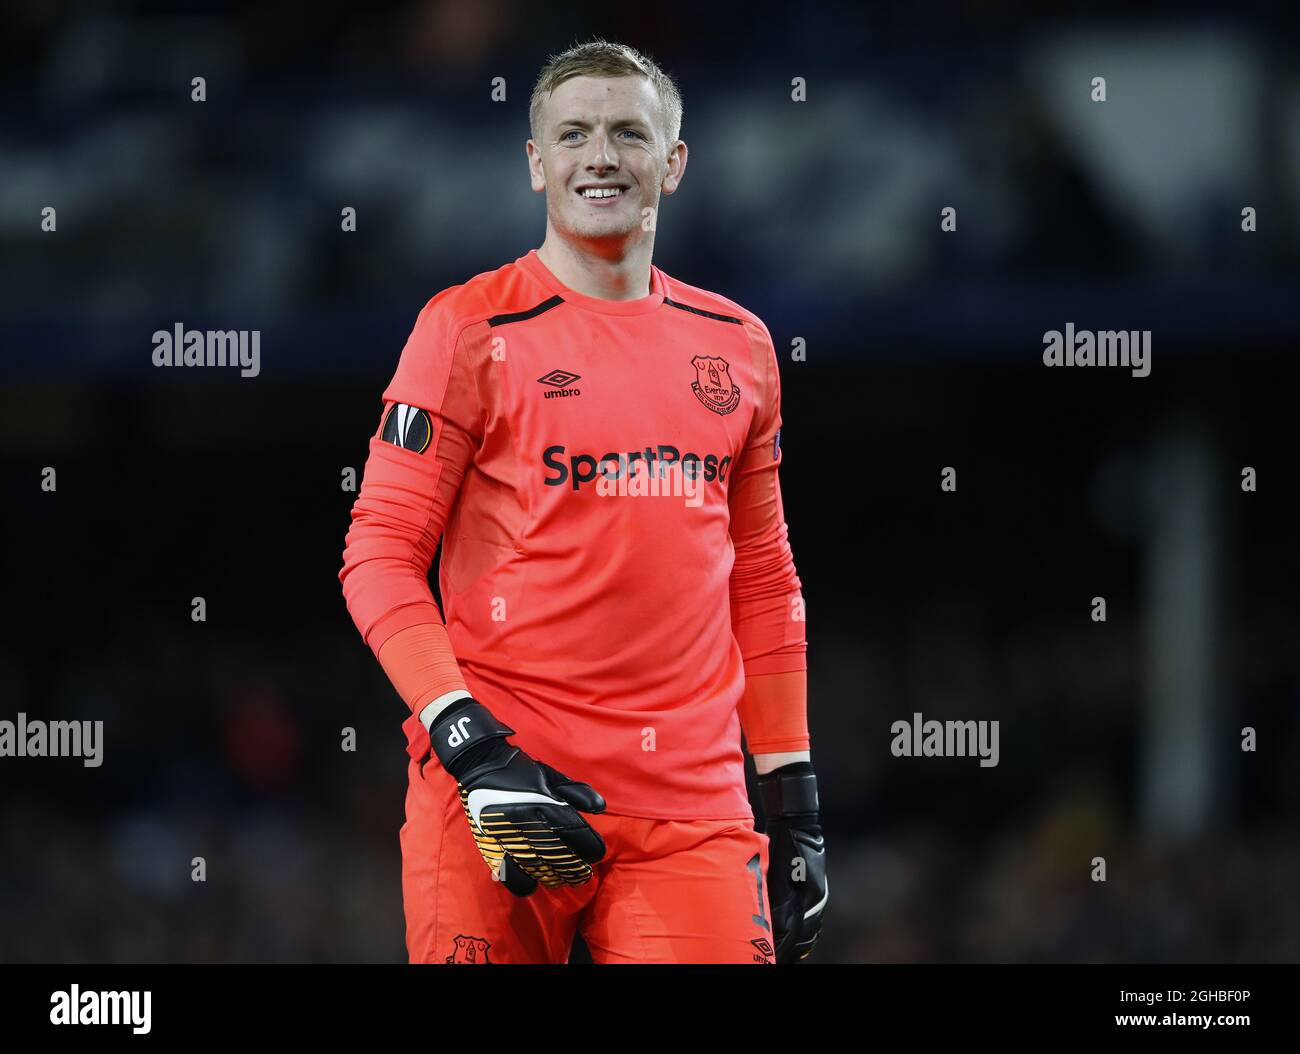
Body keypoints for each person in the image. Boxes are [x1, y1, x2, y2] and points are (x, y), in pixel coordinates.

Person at [339, 39, 826, 964]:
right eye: (573, 134)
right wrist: (469, 744)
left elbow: (762, 577)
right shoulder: (467, 329)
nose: (600, 155)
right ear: (536, 163)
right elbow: (379, 555)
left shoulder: (742, 347)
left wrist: (792, 795)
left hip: (690, 806)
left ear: (673, 164)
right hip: (498, 792)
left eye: (628, 133)